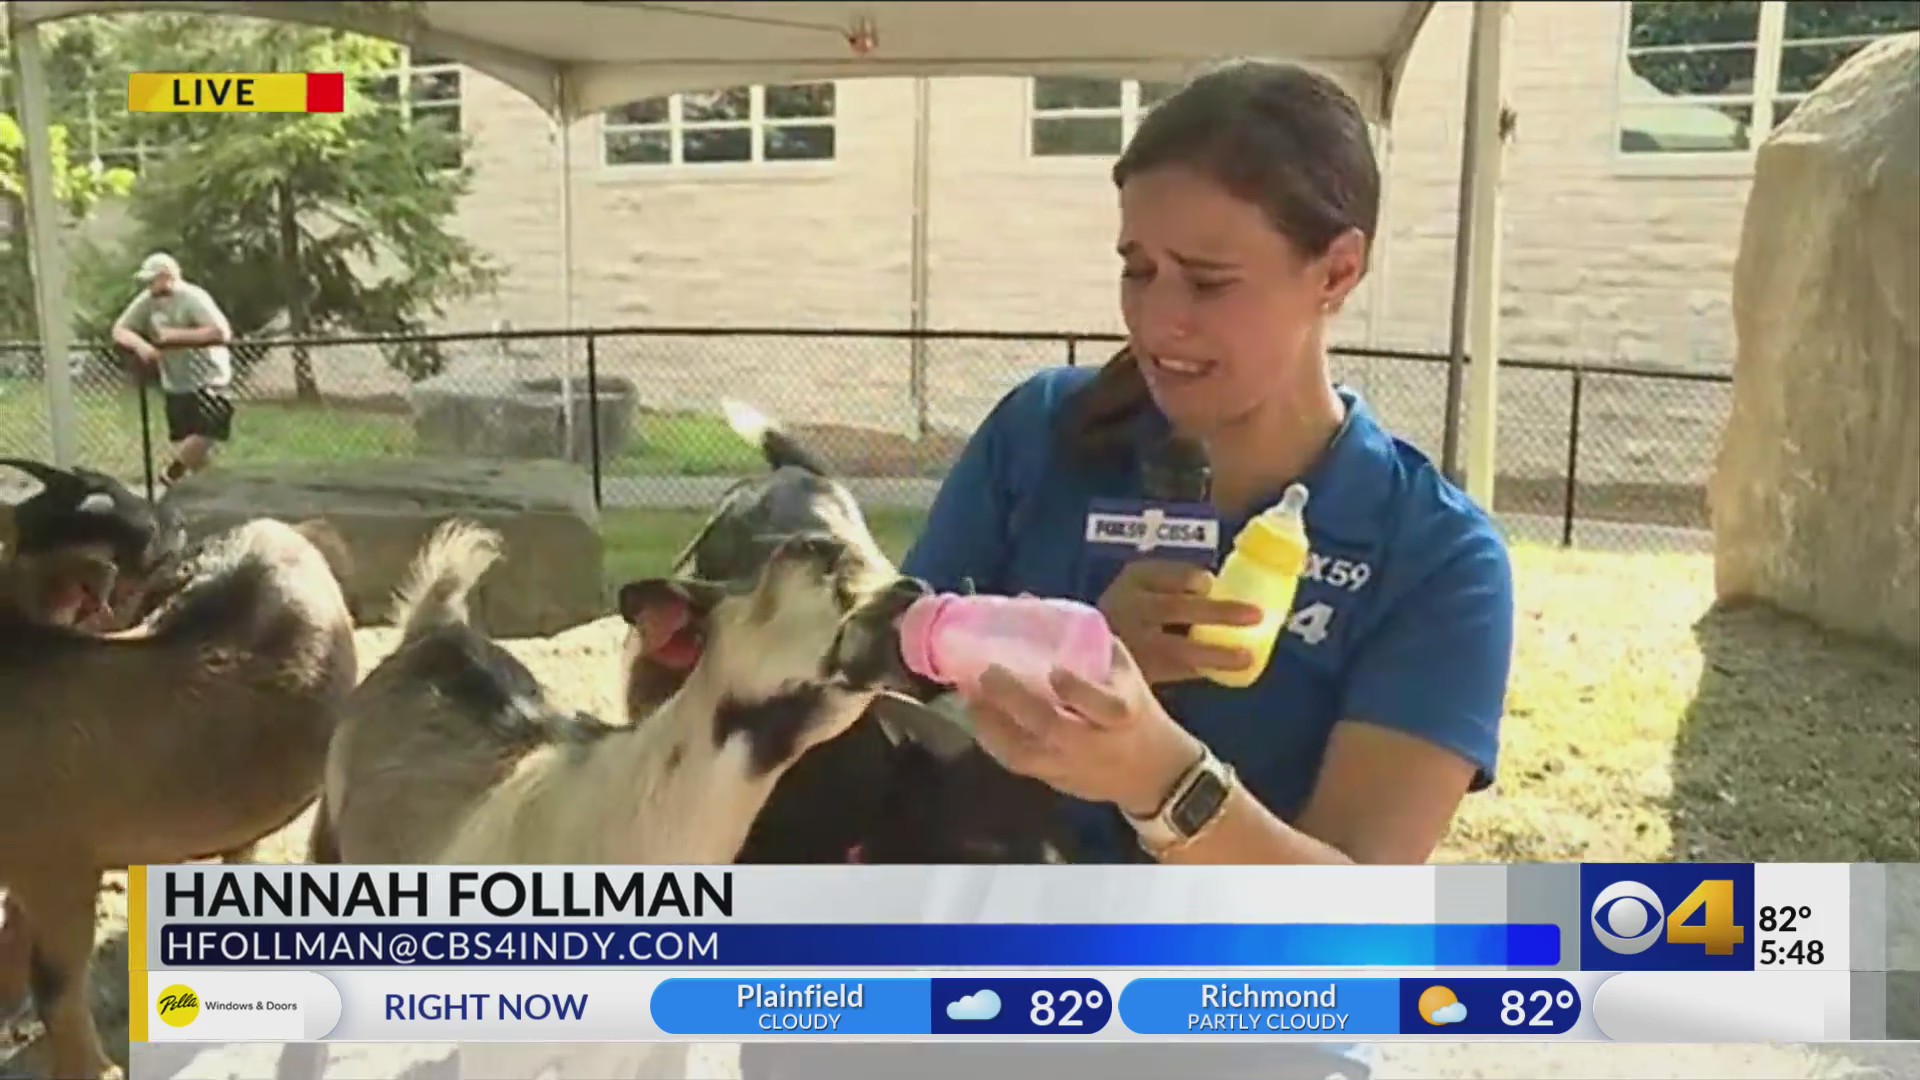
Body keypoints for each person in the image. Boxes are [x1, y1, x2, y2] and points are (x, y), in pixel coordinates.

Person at [742, 59, 1515, 1080]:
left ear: (1336, 271)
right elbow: (885, 690)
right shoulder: (1042, 436)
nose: (1159, 322)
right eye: (1137, 268)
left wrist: (1164, 779)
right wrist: (1049, 650)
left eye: (1208, 280)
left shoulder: (1435, 555)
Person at [111, 252, 237, 488]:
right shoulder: (146, 301)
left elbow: (221, 332)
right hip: (176, 381)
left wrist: (175, 337)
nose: (149, 286)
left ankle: (171, 474)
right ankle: (207, 490)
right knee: (187, 443)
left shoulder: (193, 297)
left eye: (153, 280)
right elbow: (120, 329)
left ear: (168, 277)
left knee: (209, 430)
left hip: (209, 378)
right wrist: (142, 346)